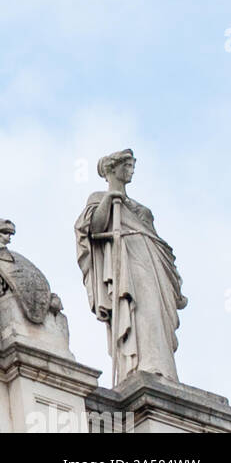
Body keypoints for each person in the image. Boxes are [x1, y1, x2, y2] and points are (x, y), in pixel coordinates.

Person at [75, 149, 186, 382]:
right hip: (127, 259)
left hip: (152, 256)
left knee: (157, 311)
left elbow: (156, 237)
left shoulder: (140, 208)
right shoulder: (98, 197)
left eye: (132, 164)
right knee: (141, 306)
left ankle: (163, 367)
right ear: (113, 169)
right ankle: (143, 365)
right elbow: (94, 228)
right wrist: (110, 198)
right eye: (127, 164)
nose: (132, 169)